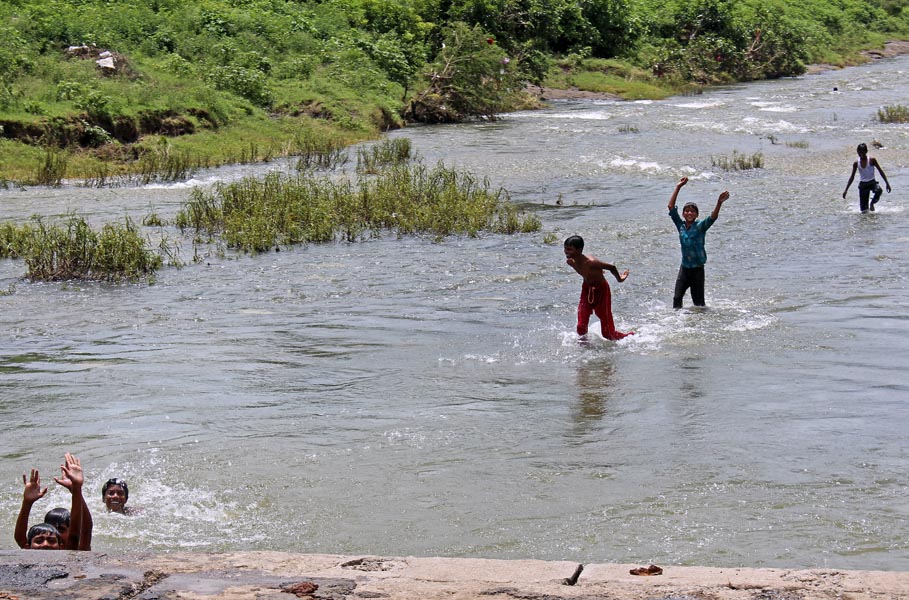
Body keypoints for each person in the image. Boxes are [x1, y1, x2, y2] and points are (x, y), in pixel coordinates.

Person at [667, 177, 730, 309]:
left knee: (699, 304)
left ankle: (701, 326)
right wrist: (678, 187)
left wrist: (719, 202)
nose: (689, 213)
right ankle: (677, 323)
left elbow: (713, 217)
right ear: (683, 214)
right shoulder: (681, 226)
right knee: (677, 299)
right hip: (684, 269)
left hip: (697, 271)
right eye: (687, 211)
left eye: (692, 211)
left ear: (696, 214)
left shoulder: (700, 226)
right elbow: (671, 207)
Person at [13, 454, 92, 551]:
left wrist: (76, 489)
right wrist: (27, 503)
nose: (45, 544)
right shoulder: (30, 549)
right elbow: (20, 539)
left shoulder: (71, 550)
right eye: (39, 540)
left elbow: (82, 532)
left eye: (61, 530)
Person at [563, 235, 633, 340]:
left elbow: (612, 267)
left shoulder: (591, 262)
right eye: (565, 248)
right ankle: (585, 351)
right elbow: (585, 273)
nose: (566, 252)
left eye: (570, 249)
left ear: (579, 250)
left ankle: (630, 337)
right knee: (581, 328)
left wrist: (620, 279)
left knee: (608, 334)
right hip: (586, 289)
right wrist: (596, 273)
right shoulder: (571, 261)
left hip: (601, 291)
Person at [842, 142, 891, 212]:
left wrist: (887, 183)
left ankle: (872, 203)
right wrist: (846, 190)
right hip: (863, 185)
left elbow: (880, 171)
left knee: (879, 191)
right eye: (859, 152)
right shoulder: (856, 163)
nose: (861, 154)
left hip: (872, 182)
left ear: (866, 152)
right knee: (864, 211)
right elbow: (852, 177)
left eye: (862, 152)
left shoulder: (872, 160)